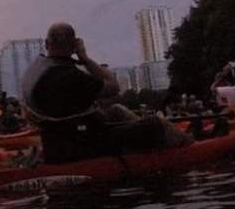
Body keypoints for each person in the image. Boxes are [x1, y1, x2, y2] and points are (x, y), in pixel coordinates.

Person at [20, 23, 192, 164]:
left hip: (56, 142)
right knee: (157, 124)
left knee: (116, 110)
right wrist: (85, 59)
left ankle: (146, 141)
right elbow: (114, 86)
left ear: (46, 44)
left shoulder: (35, 70)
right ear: (74, 46)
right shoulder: (69, 75)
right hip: (84, 144)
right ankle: (191, 148)